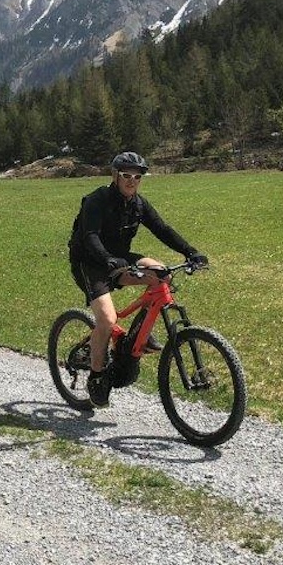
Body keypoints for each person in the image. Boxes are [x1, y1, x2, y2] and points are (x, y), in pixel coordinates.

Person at [67, 151, 207, 408]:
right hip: (90, 263)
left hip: (119, 258)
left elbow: (162, 229)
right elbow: (90, 236)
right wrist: (107, 259)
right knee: (107, 320)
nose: (132, 181)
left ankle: (139, 335)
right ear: (115, 176)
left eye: (137, 177)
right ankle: (97, 377)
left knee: (160, 273)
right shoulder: (97, 200)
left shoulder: (138, 204)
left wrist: (190, 251)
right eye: (126, 176)